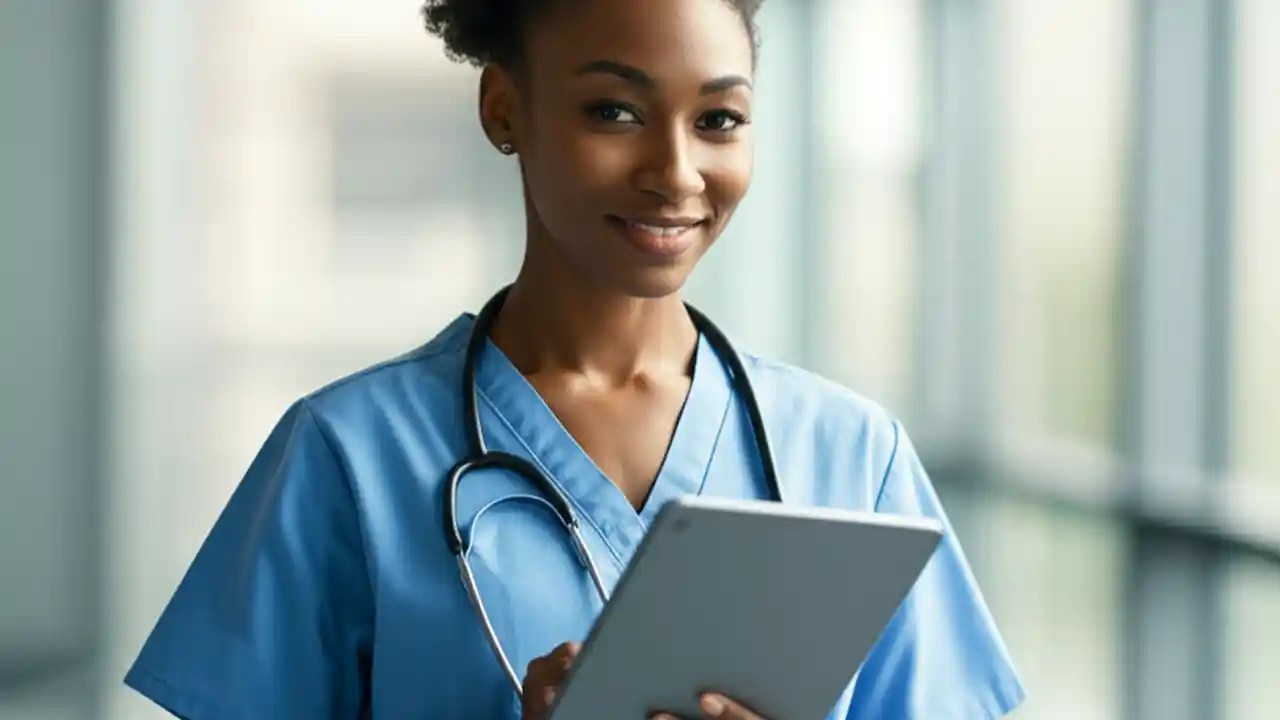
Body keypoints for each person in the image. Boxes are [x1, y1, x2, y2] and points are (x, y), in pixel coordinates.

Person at [124, 0, 1025, 717]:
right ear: (503, 107)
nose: (676, 172)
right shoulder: (347, 456)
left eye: (718, 119)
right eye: (615, 111)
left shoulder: (852, 457)